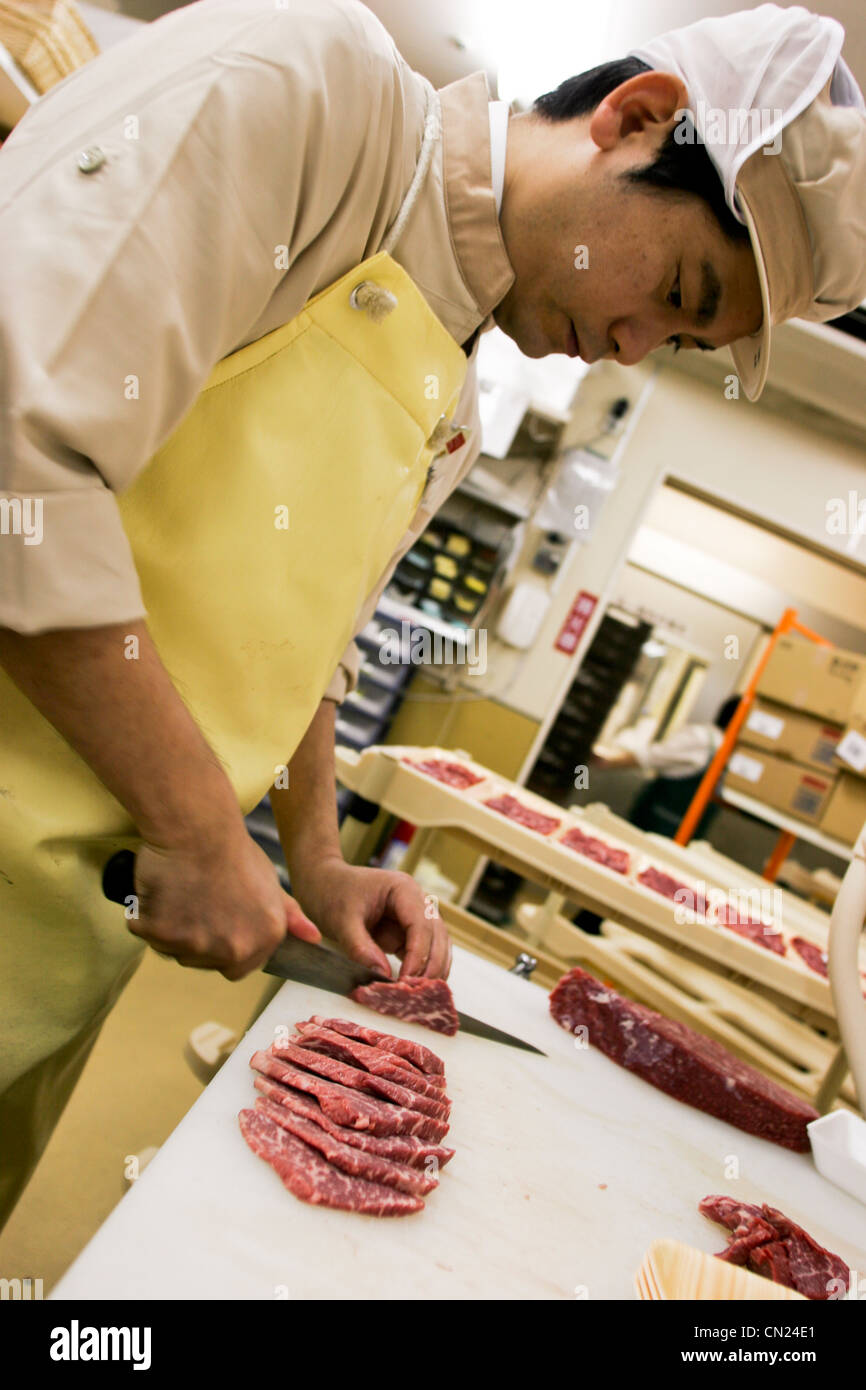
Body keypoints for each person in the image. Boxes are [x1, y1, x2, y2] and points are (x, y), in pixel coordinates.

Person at [0, 0, 864, 1228]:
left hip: (57, 938)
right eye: (672, 288)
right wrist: (198, 830)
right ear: (636, 117)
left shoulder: (450, 372)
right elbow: (18, 465)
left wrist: (313, 855)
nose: (629, 346)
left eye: (675, 340)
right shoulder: (314, 92)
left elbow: (295, 633)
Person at [595, 695, 742, 839]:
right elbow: (651, 757)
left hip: (687, 835)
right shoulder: (701, 739)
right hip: (653, 826)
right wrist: (607, 762)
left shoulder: (735, 755)